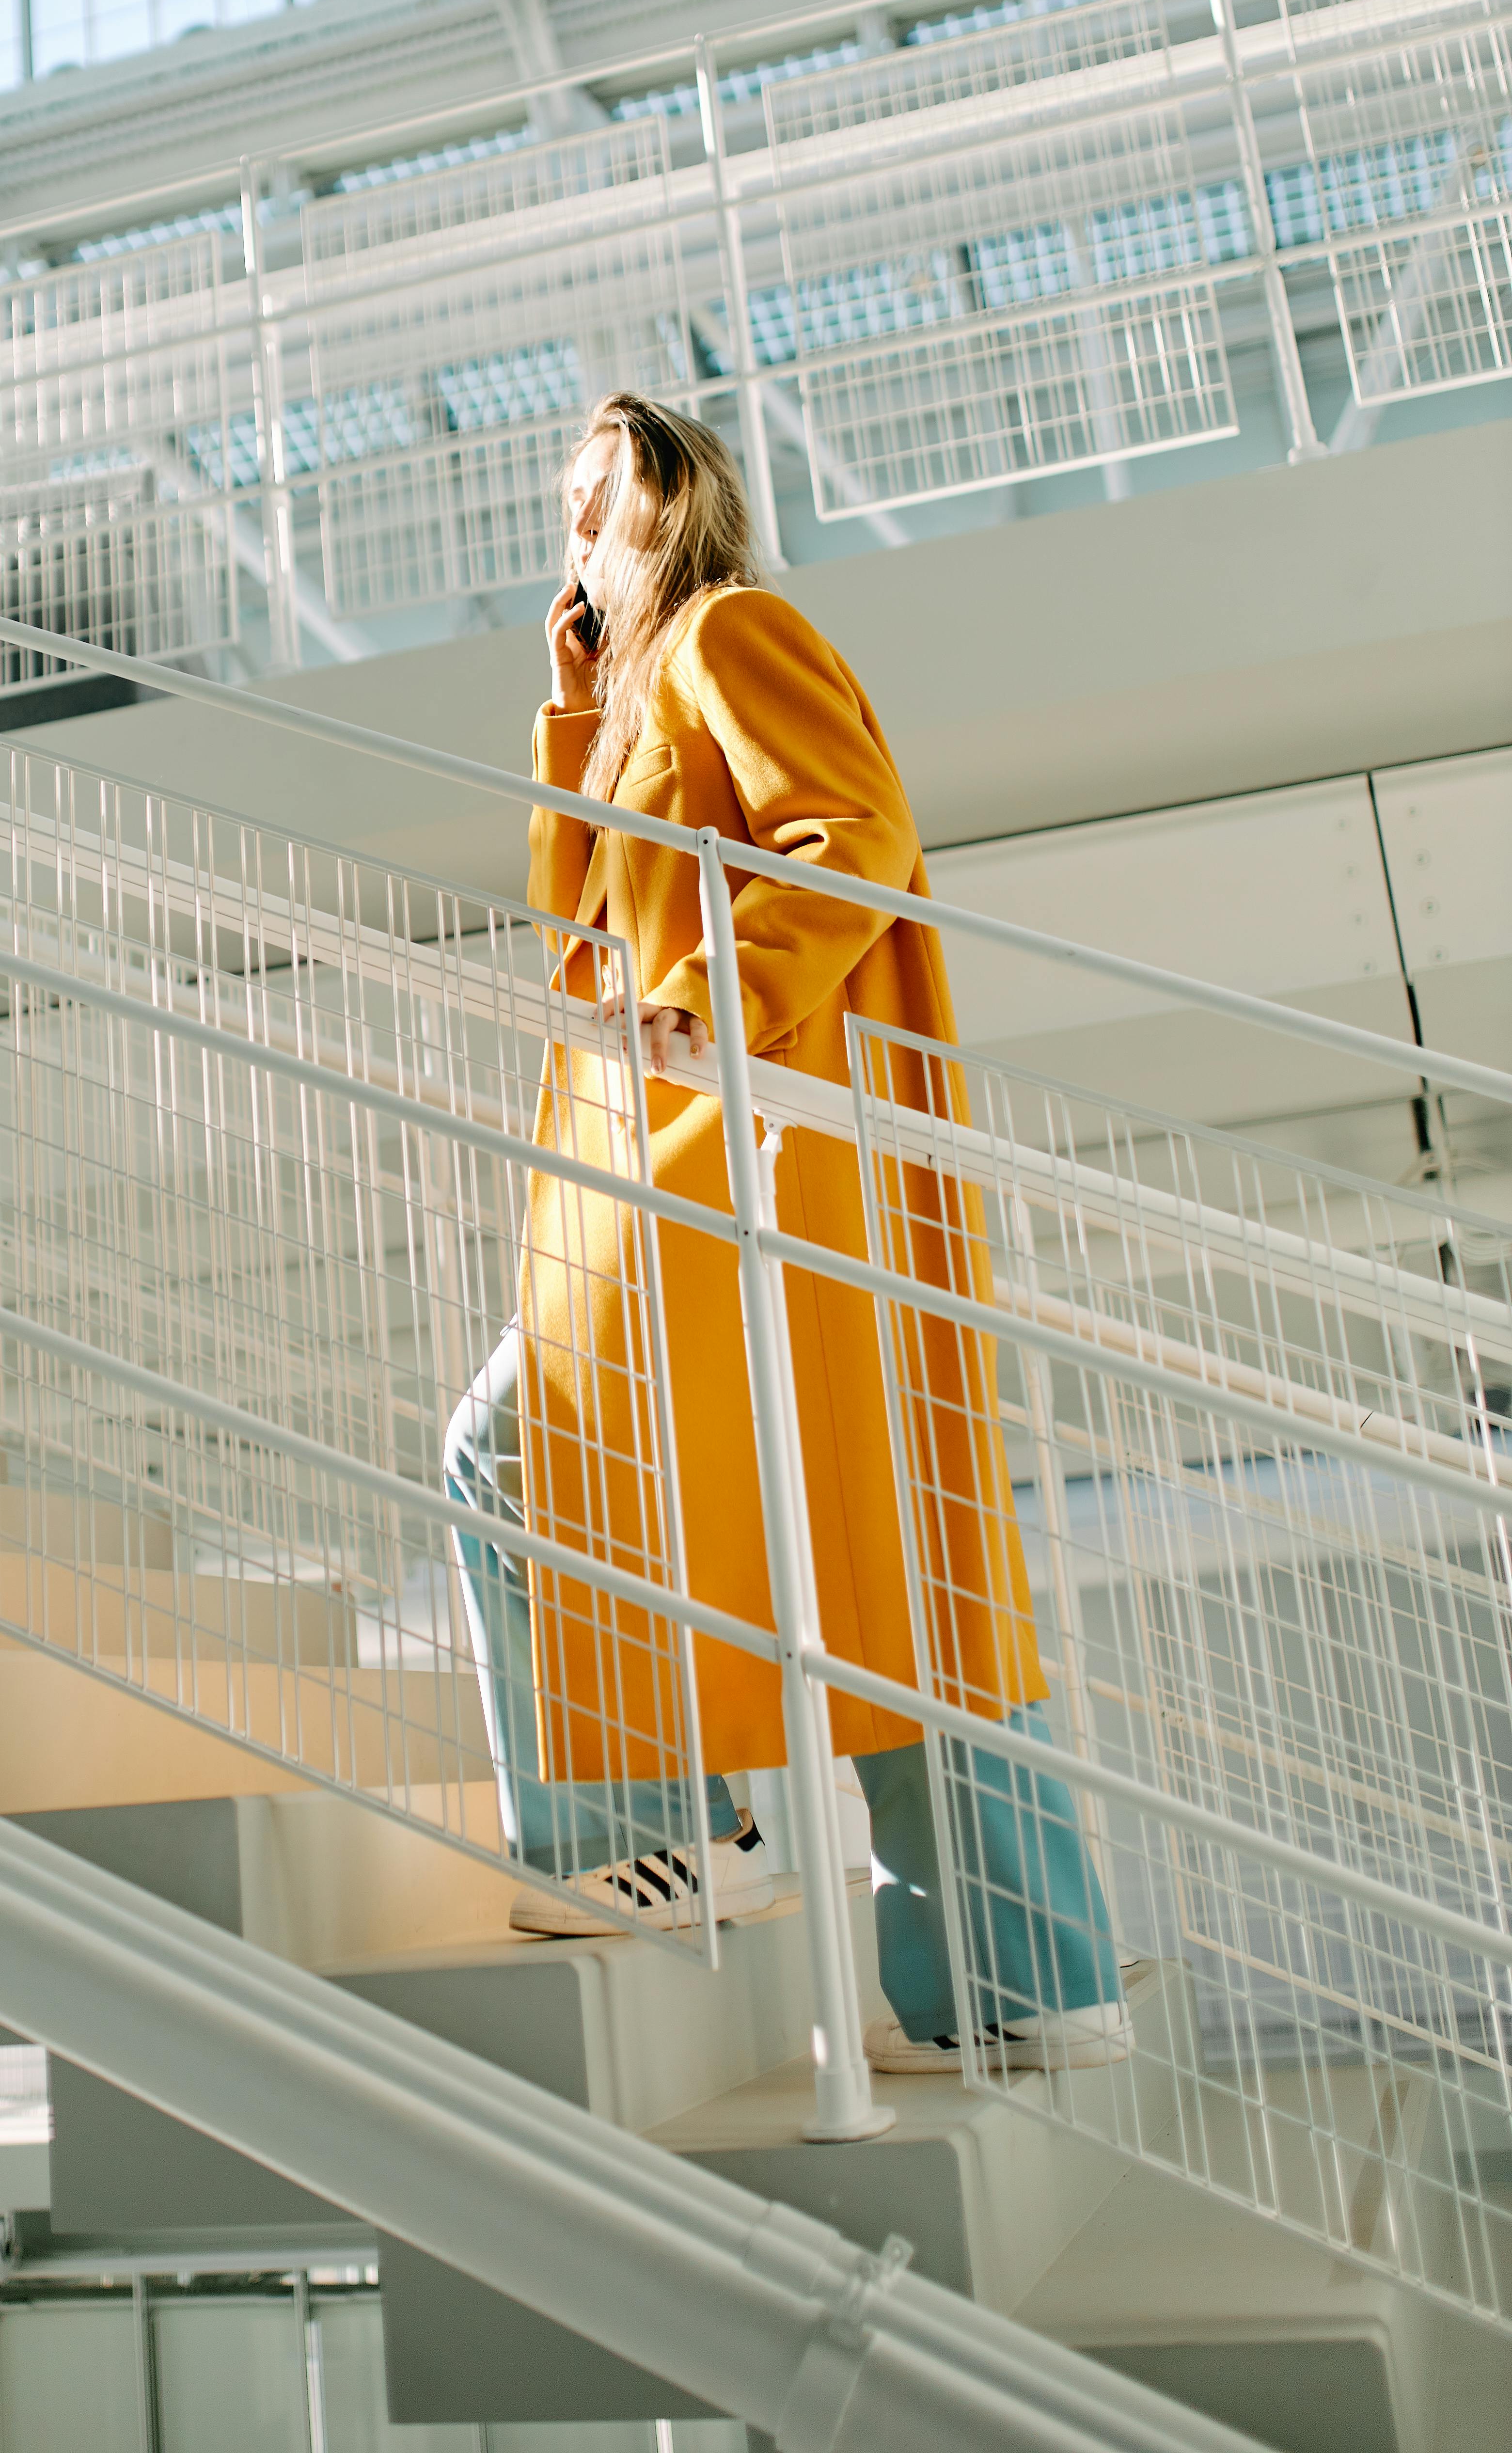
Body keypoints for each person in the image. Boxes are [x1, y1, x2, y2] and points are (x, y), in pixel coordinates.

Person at [442, 392, 1129, 2072]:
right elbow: (574, 915)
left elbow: (854, 831)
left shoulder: (732, 631)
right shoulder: (638, 686)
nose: (570, 528)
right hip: (680, 1166)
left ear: (664, 498)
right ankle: (1022, 1988)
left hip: (725, 1155)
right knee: (868, 1558)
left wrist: (714, 994)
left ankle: (664, 1835)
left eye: (594, 493)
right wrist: (574, 705)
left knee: (559, 1466)